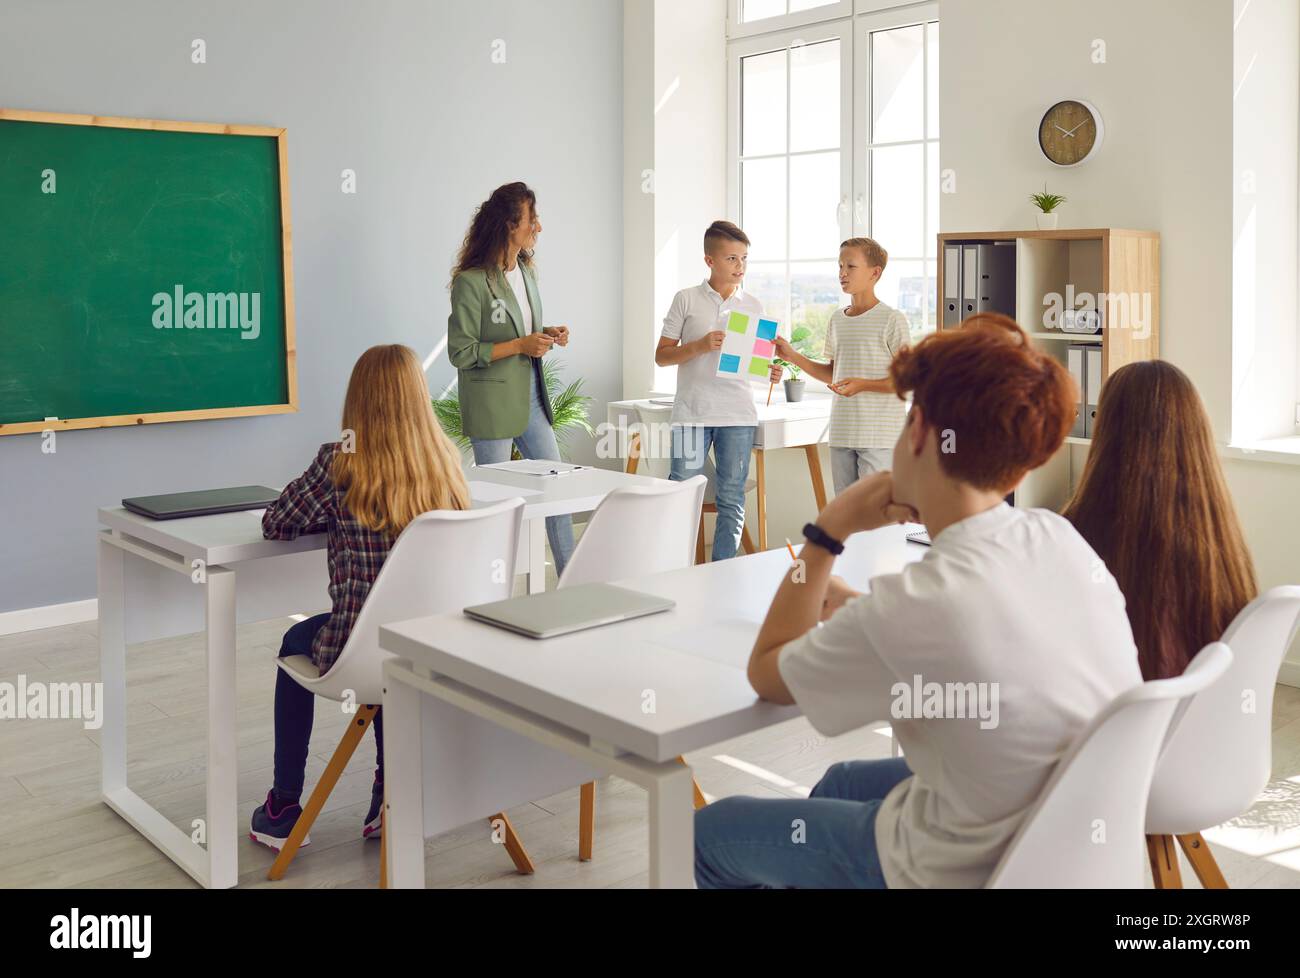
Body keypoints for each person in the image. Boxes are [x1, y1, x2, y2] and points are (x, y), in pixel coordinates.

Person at [694, 313, 1143, 888]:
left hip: (962, 867)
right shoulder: (1055, 537)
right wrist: (865, 614)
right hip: (1066, 845)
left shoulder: (917, 603)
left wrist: (828, 531)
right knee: (843, 783)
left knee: (712, 833)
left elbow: (766, 674)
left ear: (920, 432)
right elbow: (973, 631)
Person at [250, 345, 472, 850]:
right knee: (396, 642)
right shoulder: (446, 461)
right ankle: (387, 795)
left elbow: (277, 521)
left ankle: (284, 806)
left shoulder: (341, 462)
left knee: (294, 639)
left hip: (364, 651)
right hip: (431, 645)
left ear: (359, 400)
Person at [1062, 359, 1257, 680]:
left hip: (1128, 723)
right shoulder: (1219, 539)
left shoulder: (1074, 536)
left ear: (1106, 436)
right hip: (1204, 719)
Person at [447, 181, 574, 575]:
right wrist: (520, 345)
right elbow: (462, 351)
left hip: (532, 399)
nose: (537, 226)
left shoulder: (525, 271)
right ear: (508, 225)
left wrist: (548, 333)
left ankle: (571, 576)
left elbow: (520, 329)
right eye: (530, 219)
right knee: (495, 507)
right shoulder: (471, 282)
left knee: (558, 489)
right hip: (492, 406)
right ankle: (485, 585)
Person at [655, 220, 782, 560]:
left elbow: (754, 365)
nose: (740, 267)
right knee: (682, 494)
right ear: (710, 260)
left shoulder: (753, 306)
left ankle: (722, 573)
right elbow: (662, 356)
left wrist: (769, 372)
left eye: (744, 259)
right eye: (731, 259)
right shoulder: (686, 299)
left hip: (737, 414)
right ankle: (677, 568)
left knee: (731, 497)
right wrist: (698, 346)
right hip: (692, 414)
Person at [774, 237, 910, 495]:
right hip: (842, 433)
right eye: (839, 266)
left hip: (880, 438)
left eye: (850, 266)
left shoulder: (892, 319)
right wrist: (793, 356)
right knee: (846, 517)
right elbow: (832, 373)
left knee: (874, 516)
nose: (842, 273)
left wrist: (862, 385)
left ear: (875, 273)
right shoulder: (837, 319)